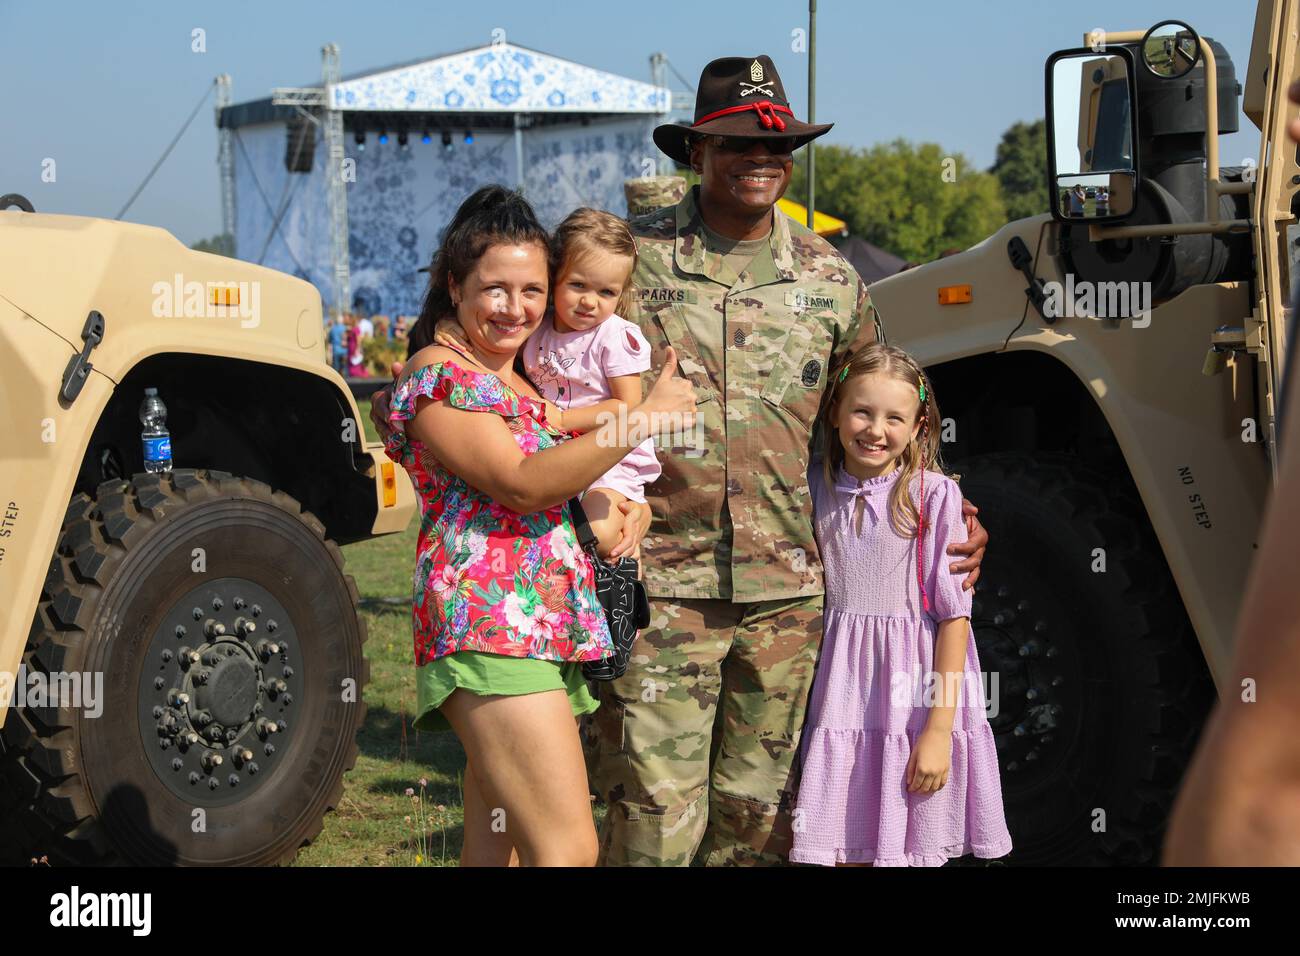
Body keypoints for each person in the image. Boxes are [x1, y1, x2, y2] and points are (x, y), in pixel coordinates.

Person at [372, 55, 988, 867]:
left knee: (756, 824)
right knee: (651, 824)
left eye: (777, 144)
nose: (759, 159)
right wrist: (434, 366)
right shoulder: (630, 264)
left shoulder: (831, 279)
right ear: (696, 154)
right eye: (735, 144)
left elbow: (881, 411)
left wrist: (952, 510)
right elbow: (515, 337)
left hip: (789, 598)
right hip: (660, 585)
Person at [383, 184, 695, 867]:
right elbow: (520, 486)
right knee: (568, 850)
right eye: (495, 289)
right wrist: (644, 417)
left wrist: (625, 497)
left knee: (500, 850)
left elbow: (560, 467)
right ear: (453, 284)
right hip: (489, 623)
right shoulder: (440, 376)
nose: (516, 308)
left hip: (535, 620)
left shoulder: (515, 376)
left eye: (532, 290)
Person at [789, 344, 1012, 866]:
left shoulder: (933, 496)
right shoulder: (811, 488)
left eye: (894, 417)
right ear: (835, 412)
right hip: (841, 691)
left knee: (909, 844)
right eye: (862, 411)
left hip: (912, 694)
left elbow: (954, 620)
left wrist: (938, 730)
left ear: (918, 427)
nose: (875, 429)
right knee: (840, 842)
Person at [434, 207, 660, 557]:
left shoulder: (614, 336)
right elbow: (489, 340)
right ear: (556, 280)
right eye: (577, 285)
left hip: (610, 459)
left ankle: (622, 584)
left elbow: (628, 407)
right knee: (571, 531)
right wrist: (451, 325)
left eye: (606, 292)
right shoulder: (537, 328)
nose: (589, 301)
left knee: (597, 534)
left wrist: (562, 419)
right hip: (558, 458)